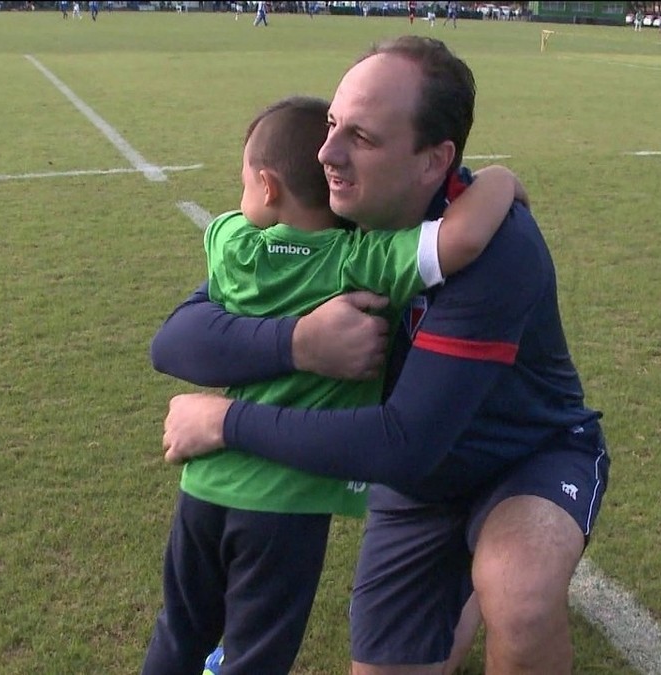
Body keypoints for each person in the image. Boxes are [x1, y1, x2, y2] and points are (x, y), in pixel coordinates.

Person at [156, 36, 610, 674]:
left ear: (433, 161)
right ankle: (463, 580)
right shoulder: (335, 211)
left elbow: (405, 441)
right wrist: (300, 342)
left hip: (522, 457)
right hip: (420, 489)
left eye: (361, 137)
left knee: (519, 593)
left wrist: (226, 422)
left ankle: (487, 565)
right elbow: (180, 337)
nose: (326, 153)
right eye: (332, 124)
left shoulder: (497, 249)